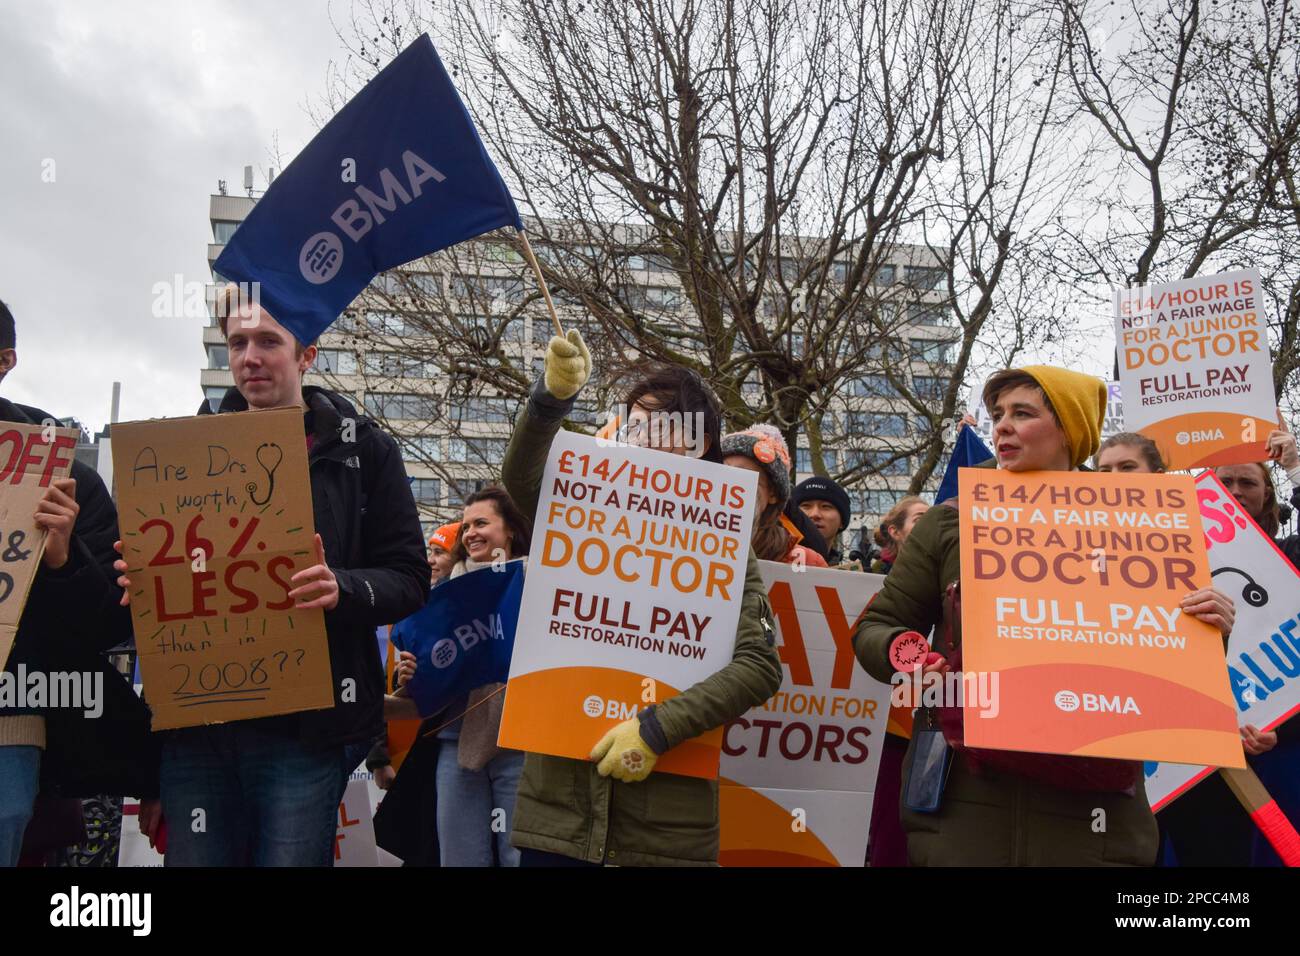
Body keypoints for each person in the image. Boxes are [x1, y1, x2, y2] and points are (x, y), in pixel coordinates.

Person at [852, 366, 1234, 865]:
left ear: (1070, 431)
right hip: (966, 802)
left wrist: (1210, 625)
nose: (1002, 427)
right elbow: (876, 628)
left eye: (1023, 413)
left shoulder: (1140, 520)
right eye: (997, 415)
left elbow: (1169, 657)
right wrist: (909, 658)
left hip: (1093, 808)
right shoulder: (950, 520)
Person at [114, 288, 429, 866]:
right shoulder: (175, 458)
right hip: (198, 731)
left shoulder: (367, 451)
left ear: (306, 355)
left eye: (268, 342)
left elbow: (410, 577)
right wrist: (140, 583)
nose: (250, 357)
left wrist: (344, 587)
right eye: (238, 343)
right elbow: (141, 593)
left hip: (304, 735)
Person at [501, 336, 783, 866]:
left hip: (664, 836)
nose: (644, 437)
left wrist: (656, 730)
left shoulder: (725, 545)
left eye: (665, 426)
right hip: (558, 820)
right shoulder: (584, 506)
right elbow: (521, 480)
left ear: (699, 446)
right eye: (635, 423)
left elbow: (759, 666)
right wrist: (550, 401)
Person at [0, 300, 150, 867]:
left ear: (6, 360)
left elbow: (112, 618)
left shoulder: (59, 475)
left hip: (14, 721)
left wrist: (63, 559)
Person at [1096, 431, 1251, 866]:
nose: (1114, 479)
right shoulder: (1071, 549)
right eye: (1104, 470)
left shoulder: (1200, 545)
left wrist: (1218, 627)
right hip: (1108, 740)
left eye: (1127, 468)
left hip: (1188, 743)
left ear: (1157, 477)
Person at [393, 486, 531, 867]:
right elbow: (418, 680)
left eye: (482, 523)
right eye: (466, 525)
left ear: (511, 532)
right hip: (454, 744)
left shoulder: (536, 582)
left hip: (519, 743)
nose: (470, 532)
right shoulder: (439, 595)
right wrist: (407, 675)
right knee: (459, 857)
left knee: (517, 857)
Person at [1213, 426, 1300, 865]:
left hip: (1283, 752)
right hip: (1200, 760)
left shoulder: (1289, 555)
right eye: (1224, 481)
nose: (1235, 490)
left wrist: (1296, 470)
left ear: (1267, 494)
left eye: (1247, 481)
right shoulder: (1177, 563)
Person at [722, 425, 827, 567]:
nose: (728, 485)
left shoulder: (806, 563)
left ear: (773, 494)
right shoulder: (688, 545)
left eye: (743, 476)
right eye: (722, 472)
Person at [793, 476, 853, 565]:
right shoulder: (770, 557)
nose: (815, 514)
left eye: (826, 507)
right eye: (806, 506)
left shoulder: (847, 577)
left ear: (842, 522)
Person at [869, 496, 930, 575]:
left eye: (930, 519)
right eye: (919, 519)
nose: (929, 525)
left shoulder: (944, 567)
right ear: (895, 532)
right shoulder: (878, 571)